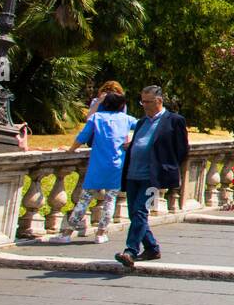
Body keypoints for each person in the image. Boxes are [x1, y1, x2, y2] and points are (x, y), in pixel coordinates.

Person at [116, 85, 189, 270]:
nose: (144, 105)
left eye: (148, 102)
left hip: (152, 176)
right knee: (134, 213)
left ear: (159, 101)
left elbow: (182, 150)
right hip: (133, 174)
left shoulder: (174, 120)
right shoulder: (141, 122)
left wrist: (167, 167)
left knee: (140, 211)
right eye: (142, 102)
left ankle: (130, 251)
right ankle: (152, 248)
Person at [51, 92, 137, 245]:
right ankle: (101, 233)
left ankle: (67, 234)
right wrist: (131, 143)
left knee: (84, 201)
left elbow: (82, 136)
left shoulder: (97, 118)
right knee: (110, 200)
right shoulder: (127, 119)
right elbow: (144, 128)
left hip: (97, 165)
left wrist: (71, 149)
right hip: (116, 165)